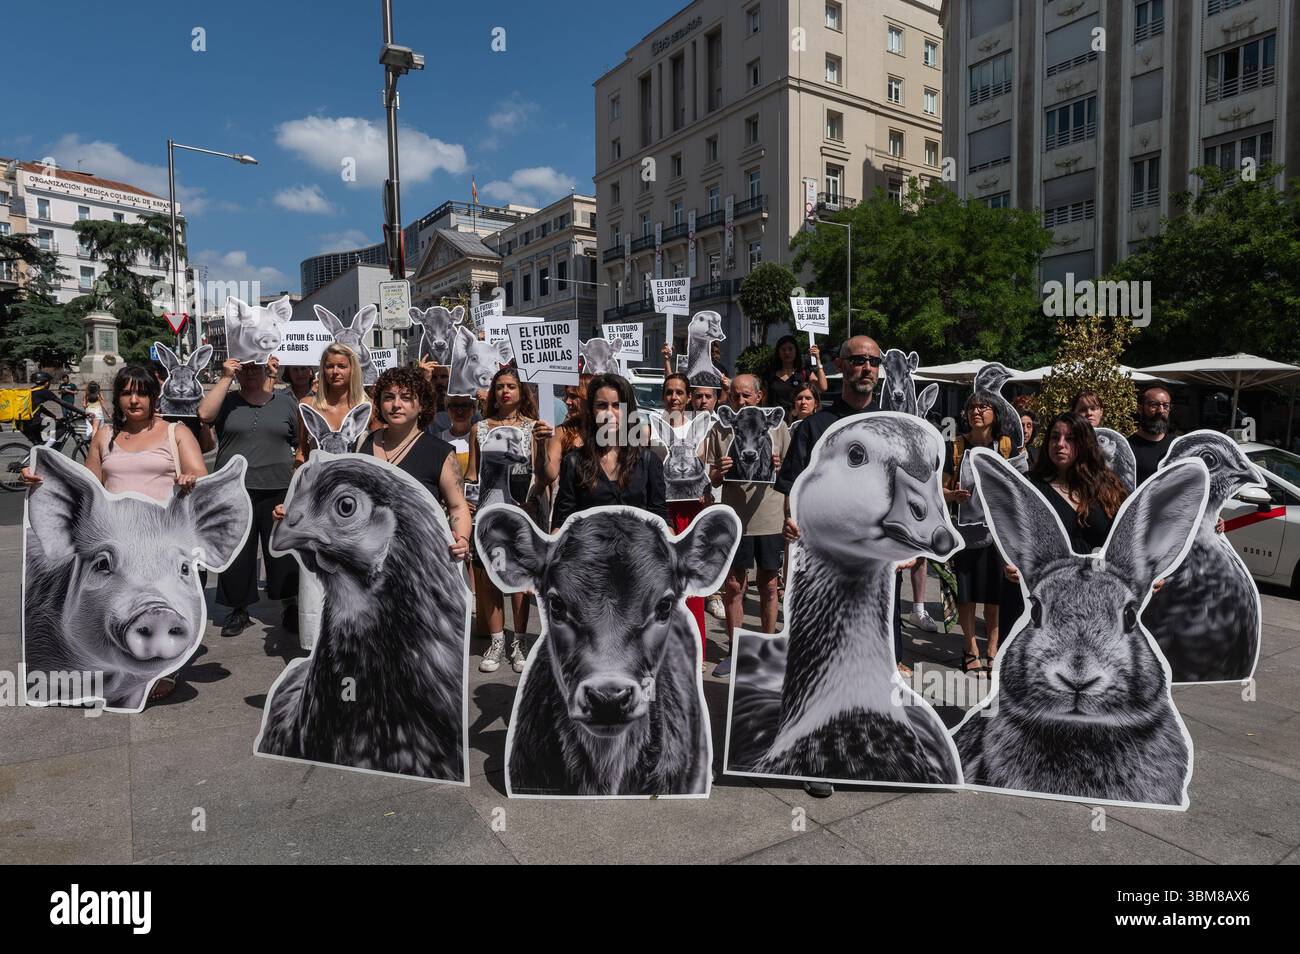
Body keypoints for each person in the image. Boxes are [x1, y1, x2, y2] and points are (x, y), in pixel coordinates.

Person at [25, 365, 208, 701]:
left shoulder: (176, 433)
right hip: (115, 538)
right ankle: (116, 673)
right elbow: (90, 482)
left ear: (155, 397)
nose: (134, 400)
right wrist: (39, 479)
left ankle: (160, 674)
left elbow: (198, 471)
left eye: (142, 392)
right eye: (126, 392)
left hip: (161, 539)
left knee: (166, 595)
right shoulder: (105, 436)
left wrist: (188, 479)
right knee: (109, 603)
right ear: (118, 397)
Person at [198, 356, 301, 638]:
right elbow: (204, 415)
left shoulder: (285, 401)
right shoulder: (227, 400)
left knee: (281, 551)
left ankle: (289, 605)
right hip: (234, 489)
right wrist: (224, 377)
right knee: (237, 553)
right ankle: (239, 609)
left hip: (279, 486)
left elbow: (299, 440)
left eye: (257, 367)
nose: (251, 373)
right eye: (245, 369)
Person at [1000, 413, 1132, 629]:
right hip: (1039, 599)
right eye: (1054, 437)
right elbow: (1007, 531)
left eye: (1070, 439)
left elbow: (1126, 538)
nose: (1060, 444)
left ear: (1085, 444)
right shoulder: (1029, 486)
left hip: (1094, 600)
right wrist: (1008, 563)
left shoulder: (1109, 488)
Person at [467, 366, 552, 674]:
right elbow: (471, 475)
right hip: (489, 511)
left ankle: (519, 641)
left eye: (511, 386)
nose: (505, 391)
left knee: (518, 580)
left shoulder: (535, 427)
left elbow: (544, 475)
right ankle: (496, 640)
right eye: (500, 386)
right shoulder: (479, 428)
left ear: (521, 392)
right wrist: (467, 507)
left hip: (524, 511)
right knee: (488, 578)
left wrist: (543, 445)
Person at [706, 374, 790, 679]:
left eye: (745, 396)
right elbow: (712, 479)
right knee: (733, 587)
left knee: (769, 586)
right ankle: (736, 651)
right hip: (734, 519)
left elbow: (791, 477)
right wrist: (718, 472)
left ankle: (766, 652)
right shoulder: (720, 429)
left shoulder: (780, 428)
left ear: (759, 396)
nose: (740, 401)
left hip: (769, 518)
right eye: (734, 396)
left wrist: (780, 468)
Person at [358, 367, 470, 561]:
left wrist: (462, 539)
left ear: (422, 405)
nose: (396, 405)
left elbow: (457, 506)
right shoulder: (362, 444)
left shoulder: (440, 452)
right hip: (369, 560)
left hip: (420, 561)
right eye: (388, 397)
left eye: (406, 397)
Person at [942, 392, 1016, 674]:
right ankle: (970, 648)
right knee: (967, 595)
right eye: (972, 407)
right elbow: (942, 490)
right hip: (965, 534)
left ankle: (993, 648)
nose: (976, 411)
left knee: (996, 596)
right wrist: (953, 495)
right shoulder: (956, 447)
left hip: (999, 535)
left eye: (983, 407)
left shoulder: (1007, 447)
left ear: (994, 414)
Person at [551, 372, 667, 532]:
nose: (609, 413)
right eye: (602, 405)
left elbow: (661, 520)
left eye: (617, 405)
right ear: (591, 410)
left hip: (637, 555)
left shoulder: (648, 462)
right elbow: (562, 522)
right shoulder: (573, 462)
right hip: (589, 554)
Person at [651, 372, 715, 653]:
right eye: (669, 392)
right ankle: (663, 649)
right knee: (661, 581)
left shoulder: (702, 427)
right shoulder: (650, 428)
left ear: (689, 397)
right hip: (661, 509)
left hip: (692, 508)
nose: (674, 398)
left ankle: (696, 645)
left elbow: (709, 466)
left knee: (691, 577)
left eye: (679, 392)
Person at [294, 343, 365, 466]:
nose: (335, 371)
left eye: (342, 366)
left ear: (352, 369)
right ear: (323, 370)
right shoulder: (308, 405)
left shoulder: (367, 406)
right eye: (330, 366)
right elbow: (302, 450)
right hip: (318, 481)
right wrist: (297, 478)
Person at [763, 335, 829, 415]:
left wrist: (818, 360)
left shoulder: (804, 372)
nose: (787, 352)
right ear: (778, 353)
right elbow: (765, 400)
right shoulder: (770, 374)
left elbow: (823, 387)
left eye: (790, 349)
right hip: (777, 421)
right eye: (783, 349)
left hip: (799, 420)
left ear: (796, 351)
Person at [1129, 384, 1174, 484]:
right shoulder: (1127, 448)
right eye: (1154, 405)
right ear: (1140, 409)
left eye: (1166, 406)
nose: (1161, 411)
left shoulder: (1177, 445)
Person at [438, 393, 477, 475]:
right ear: (447, 410)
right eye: (454, 405)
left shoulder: (481, 438)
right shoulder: (438, 439)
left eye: (465, 405)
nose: (459, 410)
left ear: (474, 409)